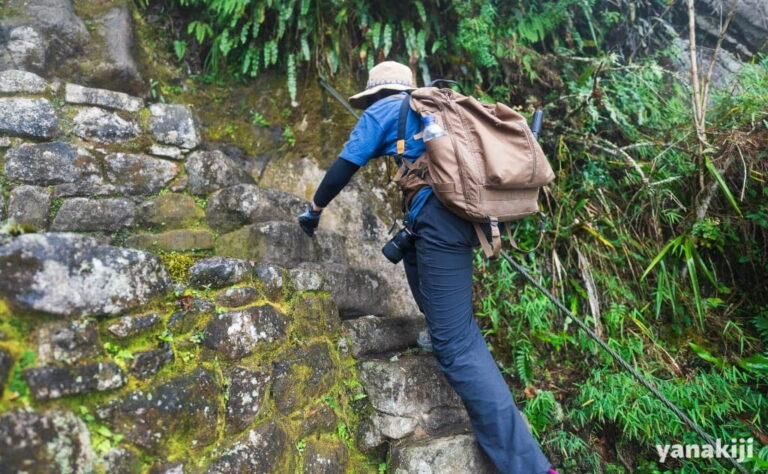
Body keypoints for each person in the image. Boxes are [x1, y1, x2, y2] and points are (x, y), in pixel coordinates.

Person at [297, 61, 558, 474]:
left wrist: (314, 209)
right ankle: (438, 333)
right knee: (432, 297)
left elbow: (345, 164)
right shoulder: (435, 109)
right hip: (449, 219)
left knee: (457, 346)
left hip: (440, 219)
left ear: (375, 95)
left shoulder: (383, 112)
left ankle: (530, 467)